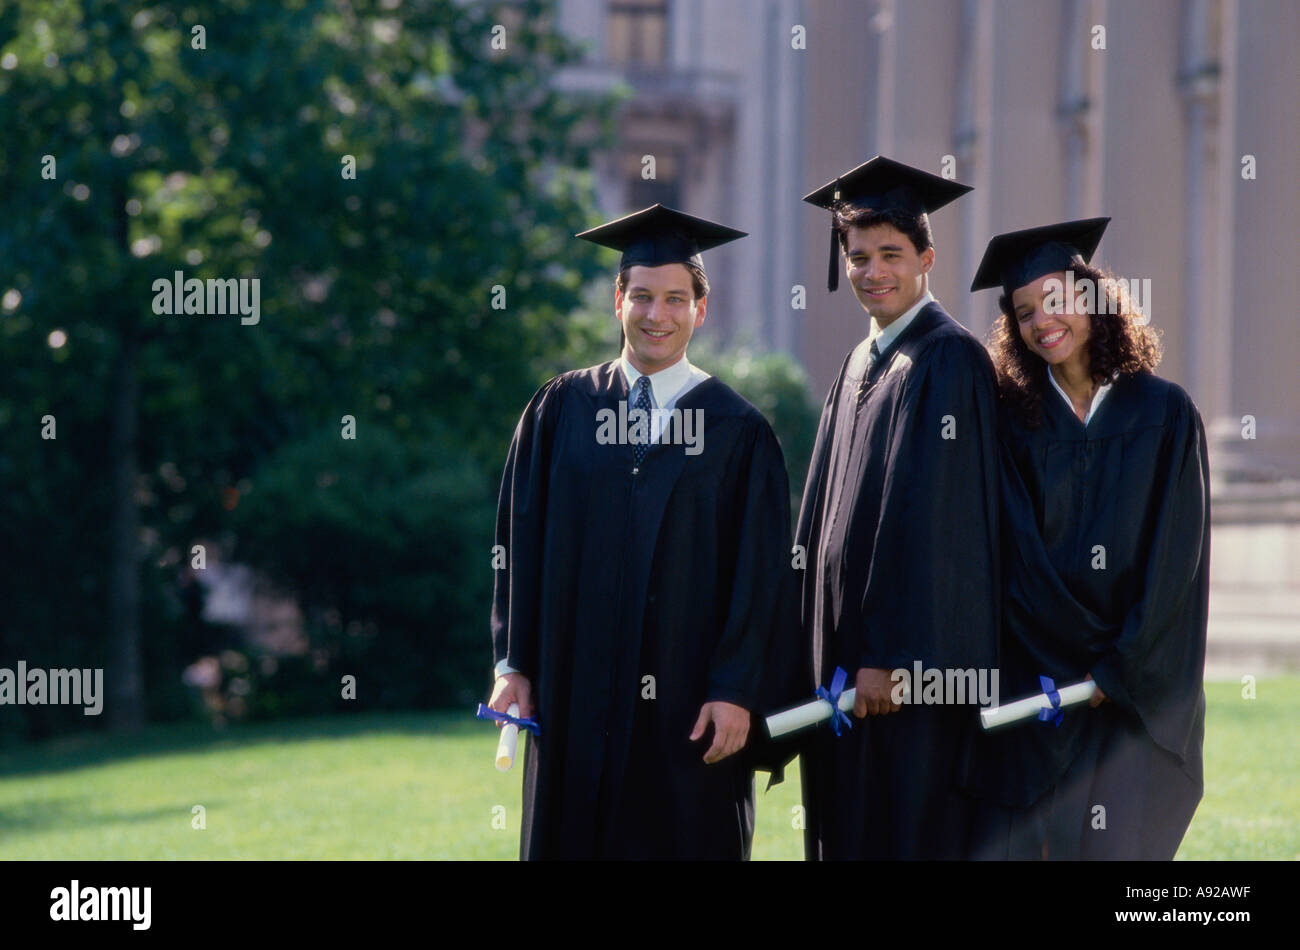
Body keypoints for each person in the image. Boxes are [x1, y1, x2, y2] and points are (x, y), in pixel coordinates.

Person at [487, 204, 800, 859]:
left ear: (701, 310)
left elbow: (760, 576)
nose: (658, 315)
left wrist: (736, 689)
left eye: (677, 299)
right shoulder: (561, 409)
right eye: (644, 297)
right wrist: (513, 662)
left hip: (688, 710)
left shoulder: (738, 431)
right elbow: (518, 542)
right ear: (617, 300)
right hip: (573, 695)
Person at [966, 218, 1209, 859]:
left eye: (1056, 300)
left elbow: (1177, 560)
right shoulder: (1012, 423)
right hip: (1040, 685)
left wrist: (1116, 666)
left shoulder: (1163, 412)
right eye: (1023, 312)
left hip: (1134, 686)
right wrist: (1063, 661)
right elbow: (1012, 552)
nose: (1042, 321)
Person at [796, 157, 1000, 859]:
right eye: (858, 257)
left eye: (890, 255)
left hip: (907, 686)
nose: (871, 271)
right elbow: (819, 516)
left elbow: (941, 527)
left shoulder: (948, 359)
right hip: (846, 677)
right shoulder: (858, 364)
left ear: (926, 259)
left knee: (906, 832)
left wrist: (898, 658)